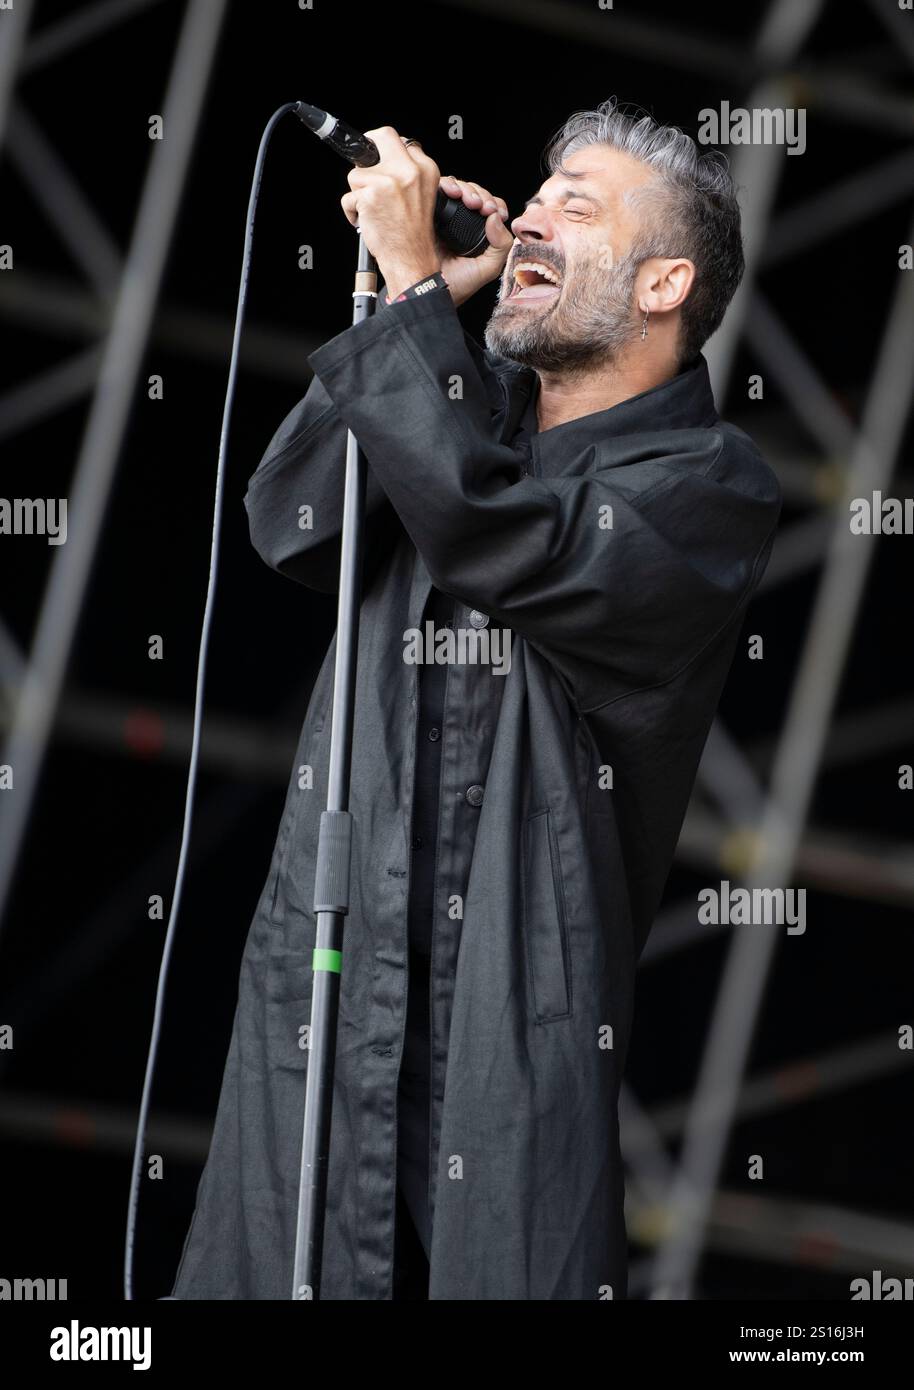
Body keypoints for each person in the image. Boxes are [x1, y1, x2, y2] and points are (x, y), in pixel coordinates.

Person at [170, 98, 781, 1301]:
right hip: (336, 996)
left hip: (510, 1031)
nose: (534, 218)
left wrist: (406, 301)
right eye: (539, 192)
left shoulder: (708, 490)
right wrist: (435, 300)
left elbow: (499, 539)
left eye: (577, 207)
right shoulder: (459, 412)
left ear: (663, 285)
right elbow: (288, 519)